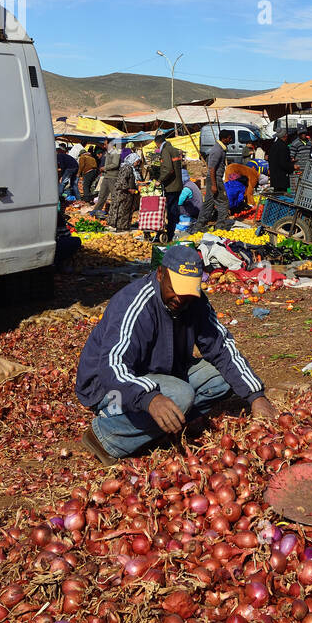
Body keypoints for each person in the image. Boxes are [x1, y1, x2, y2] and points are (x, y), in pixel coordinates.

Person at [77, 245, 276, 463]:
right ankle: (105, 436)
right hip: (108, 388)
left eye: (188, 292)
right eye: (175, 289)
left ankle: (156, 428)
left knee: (221, 379)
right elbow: (112, 366)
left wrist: (255, 395)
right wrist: (150, 398)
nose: (180, 298)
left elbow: (221, 347)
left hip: (161, 372)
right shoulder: (134, 303)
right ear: (161, 274)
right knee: (180, 395)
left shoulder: (195, 303)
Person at [154, 131, 185, 242]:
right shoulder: (174, 150)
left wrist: (159, 180)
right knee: (174, 208)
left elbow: (168, 169)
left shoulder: (166, 150)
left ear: (157, 143)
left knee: (171, 210)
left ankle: (170, 233)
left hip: (171, 186)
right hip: (177, 185)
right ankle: (173, 230)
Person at [205, 130, 234, 230]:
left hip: (214, 179)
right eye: (229, 138)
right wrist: (214, 185)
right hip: (215, 179)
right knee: (223, 203)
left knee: (208, 203)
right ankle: (220, 227)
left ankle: (199, 226)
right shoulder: (217, 150)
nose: (231, 140)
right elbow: (212, 168)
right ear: (224, 138)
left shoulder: (221, 149)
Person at [105, 152, 142, 232]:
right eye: (137, 161)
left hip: (127, 194)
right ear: (132, 160)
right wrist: (129, 189)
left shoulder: (130, 168)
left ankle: (124, 227)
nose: (137, 163)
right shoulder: (127, 168)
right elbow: (122, 181)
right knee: (122, 210)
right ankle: (121, 227)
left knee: (126, 210)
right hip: (123, 194)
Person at [92, 137, 124, 216]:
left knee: (114, 196)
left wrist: (104, 168)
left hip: (113, 177)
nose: (104, 146)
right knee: (102, 195)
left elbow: (115, 164)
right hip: (106, 176)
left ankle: (116, 212)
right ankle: (96, 211)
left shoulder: (115, 152)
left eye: (105, 144)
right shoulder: (108, 153)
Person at [267, 125, 293, 195]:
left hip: (274, 178)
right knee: (281, 197)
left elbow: (271, 159)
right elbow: (283, 163)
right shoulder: (283, 147)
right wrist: (292, 167)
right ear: (284, 136)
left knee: (276, 196)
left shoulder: (273, 146)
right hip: (282, 178)